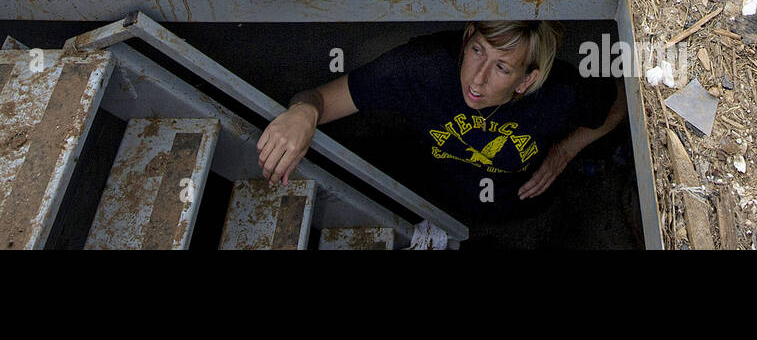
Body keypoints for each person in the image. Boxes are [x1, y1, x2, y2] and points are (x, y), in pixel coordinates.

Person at [257, 21, 626, 240]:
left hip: (529, 215)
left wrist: (566, 151)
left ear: (526, 81)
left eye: (502, 68)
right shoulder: (423, 68)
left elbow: (623, 101)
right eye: (478, 51)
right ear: (466, 39)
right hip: (436, 206)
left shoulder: (560, 92)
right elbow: (321, 98)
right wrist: (303, 112)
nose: (477, 78)